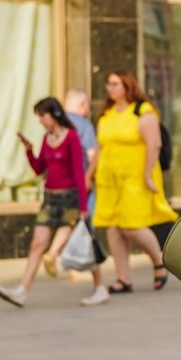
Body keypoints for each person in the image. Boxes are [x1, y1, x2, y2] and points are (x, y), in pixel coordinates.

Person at [0, 97, 89, 307]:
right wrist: (29, 150)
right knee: (37, 244)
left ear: (54, 114)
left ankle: (94, 283)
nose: (40, 121)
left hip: (69, 197)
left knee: (67, 236)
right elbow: (39, 169)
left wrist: (83, 206)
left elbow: (78, 173)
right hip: (50, 197)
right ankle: (21, 290)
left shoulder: (71, 137)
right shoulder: (47, 138)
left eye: (42, 116)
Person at [91, 71, 177, 294]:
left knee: (132, 225)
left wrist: (148, 175)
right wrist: (89, 174)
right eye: (108, 84)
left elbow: (154, 144)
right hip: (109, 179)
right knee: (113, 227)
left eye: (115, 84)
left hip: (136, 177)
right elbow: (101, 148)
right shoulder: (107, 114)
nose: (110, 88)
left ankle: (159, 261)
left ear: (127, 86)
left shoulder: (143, 112)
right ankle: (123, 278)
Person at [62, 88, 110, 306]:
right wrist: (90, 177)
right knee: (85, 226)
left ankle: (66, 262)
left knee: (68, 225)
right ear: (82, 106)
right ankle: (82, 269)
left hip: (62, 186)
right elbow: (93, 155)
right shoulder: (83, 125)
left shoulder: (58, 125)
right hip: (81, 186)